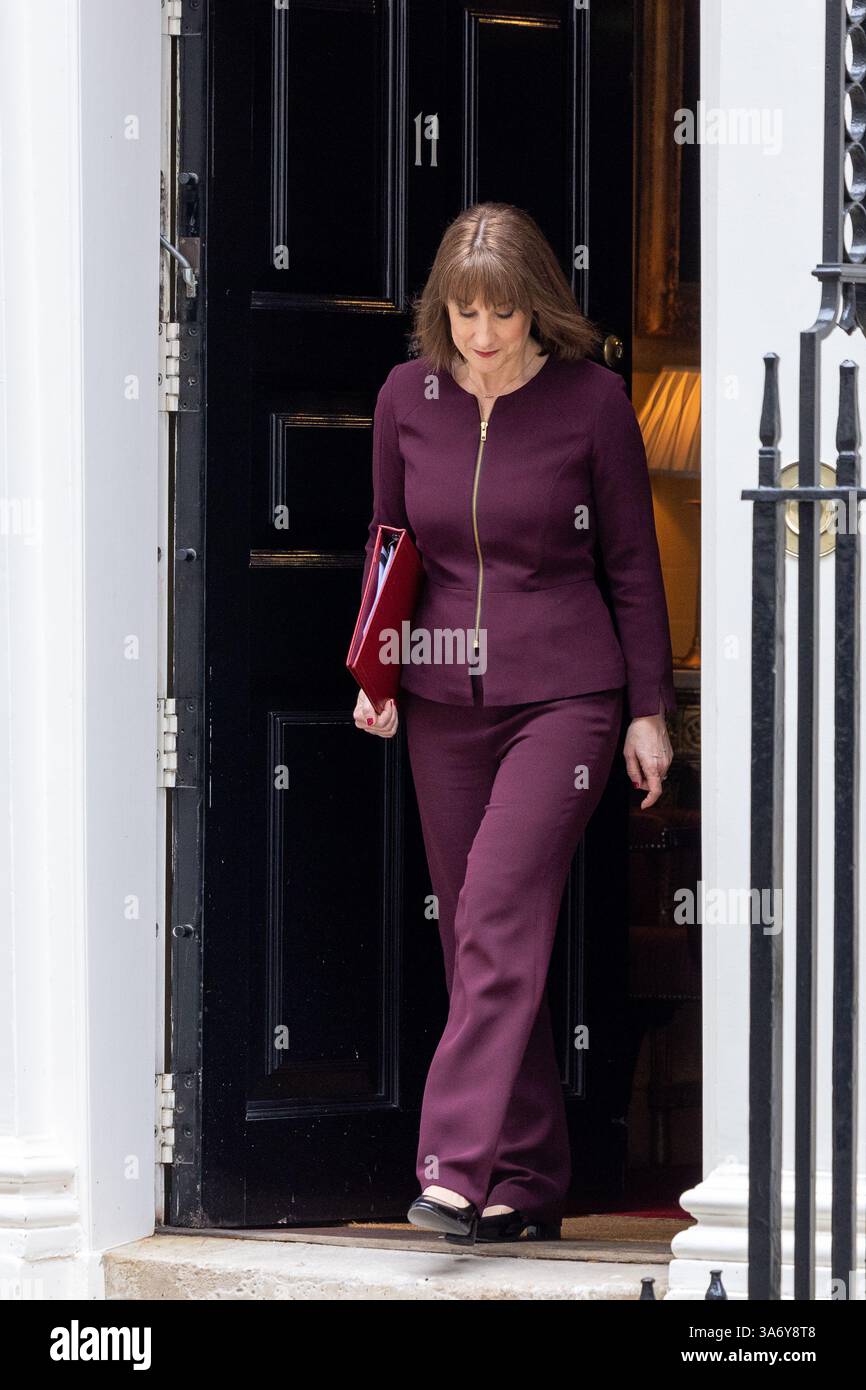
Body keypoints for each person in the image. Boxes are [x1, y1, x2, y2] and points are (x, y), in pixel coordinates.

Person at [353, 201, 675, 1245]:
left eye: (498, 314)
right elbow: (390, 542)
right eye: (460, 314)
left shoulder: (592, 404)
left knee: (492, 909)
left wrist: (647, 711)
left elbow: (629, 564)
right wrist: (380, 666)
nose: (479, 337)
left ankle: (450, 1163)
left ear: (536, 307)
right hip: (444, 696)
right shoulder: (408, 396)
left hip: (563, 699)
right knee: (475, 933)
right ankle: (527, 1176)